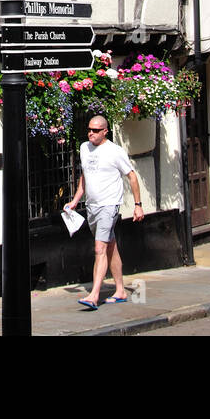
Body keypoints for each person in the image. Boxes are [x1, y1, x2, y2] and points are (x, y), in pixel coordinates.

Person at [65, 114, 143, 309]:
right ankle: (120, 290)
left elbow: (132, 177)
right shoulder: (84, 148)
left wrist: (138, 204)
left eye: (96, 130)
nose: (91, 133)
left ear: (105, 131)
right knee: (110, 246)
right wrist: (76, 200)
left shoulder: (115, 151)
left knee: (99, 248)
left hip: (109, 205)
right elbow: (85, 175)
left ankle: (94, 295)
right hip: (92, 206)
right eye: (89, 129)